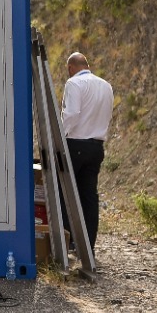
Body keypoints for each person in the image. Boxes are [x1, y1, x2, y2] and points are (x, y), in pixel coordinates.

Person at [61, 51, 113, 253]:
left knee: (65, 193)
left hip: (75, 144)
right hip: (96, 147)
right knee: (89, 196)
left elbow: (72, 113)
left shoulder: (73, 83)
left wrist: (61, 135)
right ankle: (88, 246)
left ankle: (68, 241)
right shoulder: (106, 85)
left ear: (71, 68)